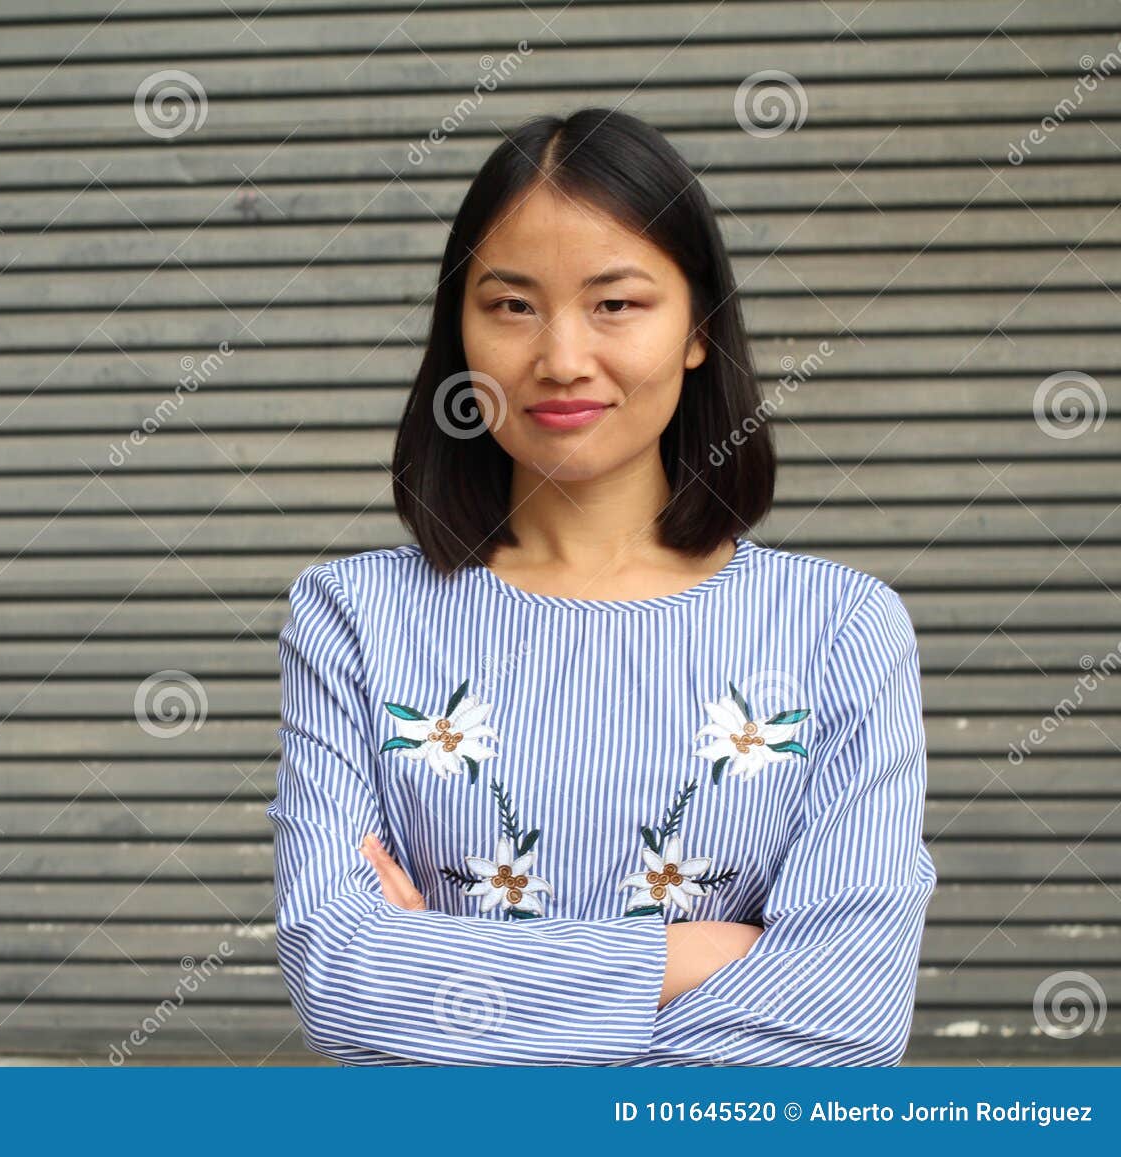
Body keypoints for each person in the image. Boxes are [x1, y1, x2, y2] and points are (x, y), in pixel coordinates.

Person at [264, 107, 936, 1066]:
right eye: (511, 305)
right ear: (459, 330)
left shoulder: (839, 630)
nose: (563, 359)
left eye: (616, 304)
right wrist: (688, 954)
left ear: (699, 329)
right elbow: (346, 988)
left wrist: (446, 977)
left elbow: (840, 1023)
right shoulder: (354, 619)